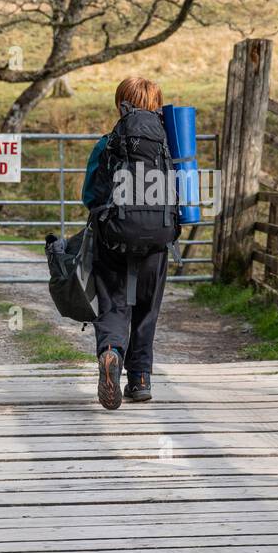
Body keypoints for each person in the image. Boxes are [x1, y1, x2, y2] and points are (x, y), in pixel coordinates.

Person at [82, 77, 174, 410]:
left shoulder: (108, 143)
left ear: (121, 103)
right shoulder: (171, 145)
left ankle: (111, 353)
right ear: (157, 105)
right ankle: (141, 379)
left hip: (113, 238)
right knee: (147, 308)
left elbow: (90, 195)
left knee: (112, 303)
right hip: (157, 240)